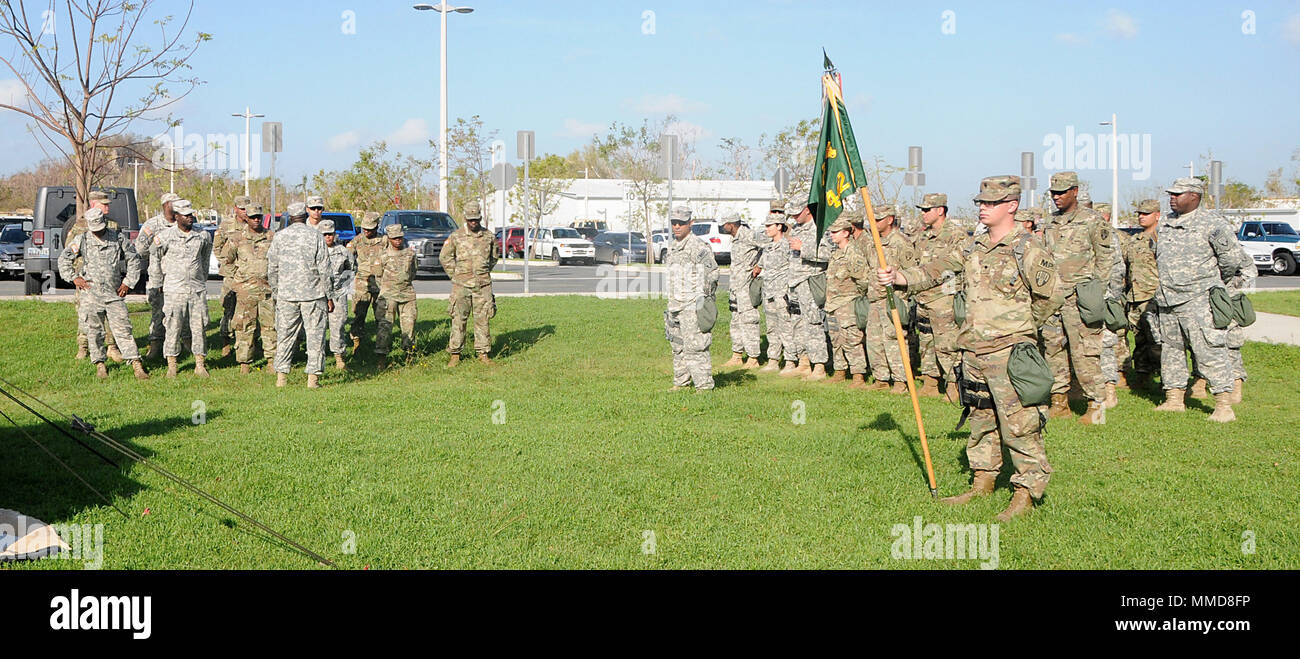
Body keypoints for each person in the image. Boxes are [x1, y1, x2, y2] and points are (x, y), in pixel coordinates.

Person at [879, 175, 1062, 521]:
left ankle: (1025, 492)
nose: (982, 208)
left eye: (991, 203)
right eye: (980, 202)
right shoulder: (972, 247)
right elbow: (937, 269)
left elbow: (1051, 295)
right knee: (982, 419)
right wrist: (900, 278)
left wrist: (1020, 328)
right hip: (974, 351)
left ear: (1011, 205)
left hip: (1009, 352)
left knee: (1020, 424)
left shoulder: (1027, 247)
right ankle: (983, 481)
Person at [1152, 178, 1251, 421]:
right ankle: (1174, 399)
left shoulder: (1212, 223)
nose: (1172, 198)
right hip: (1167, 299)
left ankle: (1223, 405)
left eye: (1178, 194)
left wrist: (1212, 284)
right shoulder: (1166, 222)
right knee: (1171, 351)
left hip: (1198, 299)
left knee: (1210, 351)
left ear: (1194, 197)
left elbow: (1231, 260)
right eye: (1171, 194)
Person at [1042, 171, 1117, 425]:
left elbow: (1106, 258)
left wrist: (1095, 291)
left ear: (1075, 191)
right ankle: (1059, 402)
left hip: (1080, 298)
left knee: (1085, 354)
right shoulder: (1049, 222)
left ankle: (1095, 406)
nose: (1057, 197)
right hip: (1053, 299)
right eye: (1053, 192)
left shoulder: (1092, 220)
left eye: (1062, 192)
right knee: (1052, 350)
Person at [58, 207, 148, 380]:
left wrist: (128, 282)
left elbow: (134, 259)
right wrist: (74, 278)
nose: (98, 232)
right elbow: (64, 259)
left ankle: (136, 364)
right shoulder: (82, 239)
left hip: (114, 294)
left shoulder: (118, 238)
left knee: (123, 330)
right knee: (94, 331)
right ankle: (100, 364)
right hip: (91, 294)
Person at [268, 202, 334, 389]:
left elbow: (272, 268)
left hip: (287, 295)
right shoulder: (315, 236)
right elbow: (325, 269)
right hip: (313, 294)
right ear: (304, 215)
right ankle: (313, 380)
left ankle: (281, 377)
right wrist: (329, 295)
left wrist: (276, 291)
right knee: (315, 337)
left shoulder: (279, 237)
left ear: (289, 217)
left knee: (285, 336)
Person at [912, 193, 967, 399]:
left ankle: (954, 386)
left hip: (944, 298)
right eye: (922, 210)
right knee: (926, 342)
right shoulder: (924, 235)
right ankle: (930, 382)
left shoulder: (956, 235)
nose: (923, 214)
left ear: (940, 210)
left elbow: (958, 264)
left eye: (927, 210)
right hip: (923, 297)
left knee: (947, 345)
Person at [862, 204, 920, 393]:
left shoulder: (900, 242)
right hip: (874, 298)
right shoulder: (873, 241)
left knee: (893, 340)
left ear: (890, 219)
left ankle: (901, 381)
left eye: (878, 219)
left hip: (892, 297)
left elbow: (912, 271)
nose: (874, 223)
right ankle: (881, 378)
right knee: (874, 340)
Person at [151, 199, 211, 378]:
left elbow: (205, 259)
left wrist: (201, 279)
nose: (190, 218)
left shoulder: (203, 236)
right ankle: (172, 365)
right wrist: (157, 283)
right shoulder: (165, 236)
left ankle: (200, 363)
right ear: (176, 216)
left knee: (199, 326)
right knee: (173, 326)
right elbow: (155, 259)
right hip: (174, 289)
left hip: (196, 290)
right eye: (185, 215)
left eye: (191, 214)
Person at [663, 206, 719, 391]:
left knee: (695, 347)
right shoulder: (672, 246)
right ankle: (681, 382)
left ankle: (704, 386)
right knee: (677, 346)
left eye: (681, 223)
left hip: (691, 305)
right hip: (675, 304)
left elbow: (712, 273)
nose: (677, 226)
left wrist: (701, 299)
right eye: (674, 223)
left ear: (690, 223)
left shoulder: (697, 247)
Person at [440, 201, 499, 366]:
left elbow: (494, 257)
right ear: (465, 218)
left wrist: (482, 272)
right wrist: (456, 275)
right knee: (459, 319)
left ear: (480, 218)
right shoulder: (456, 236)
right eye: (470, 219)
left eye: (476, 219)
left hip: (483, 285)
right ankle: (455, 353)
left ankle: (483, 352)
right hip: (461, 286)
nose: (474, 222)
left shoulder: (489, 237)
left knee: (483, 319)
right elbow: (445, 257)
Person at [221, 204, 276, 374]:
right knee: (245, 327)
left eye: (259, 216)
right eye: (252, 217)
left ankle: (271, 360)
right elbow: (226, 260)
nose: (256, 220)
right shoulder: (237, 238)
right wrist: (238, 283)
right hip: (246, 291)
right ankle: (244, 362)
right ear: (247, 218)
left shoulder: (271, 237)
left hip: (267, 291)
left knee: (270, 326)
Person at [72, 190, 121, 361]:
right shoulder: (79, 227)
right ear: (93, 204)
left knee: (110, 314)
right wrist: (76, 276)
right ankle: (84, 346)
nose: (107, 208)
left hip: (107, 280)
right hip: (87, 281)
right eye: (104, 204)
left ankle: (112, 347)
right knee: (85, 314)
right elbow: (70, 253)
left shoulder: (113, 226)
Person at [784, 202, 832, 379]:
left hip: (811, 281)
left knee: (813, 324)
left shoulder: (820, 228)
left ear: (807, 210)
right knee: (799, 323)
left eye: (797, 213)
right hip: (796, 282)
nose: (795, 217)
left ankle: (819, 366)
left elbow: (828, 254)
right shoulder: (797, 228)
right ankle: (804, 361)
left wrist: (803, 248)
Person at [823, 217, 870, 387]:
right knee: (836, 339)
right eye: (831, 232)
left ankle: (858, 375)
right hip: (832, 304)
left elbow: (864, 280)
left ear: (845, 233)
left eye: (835, 232)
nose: (831, 235)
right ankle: (840, 370)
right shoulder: (836, 254)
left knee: (851, 339)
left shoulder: (853, 254)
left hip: (848, 303)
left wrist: (856, 297)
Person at [136, 192, 181, 360]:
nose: (176, 206)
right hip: (159, 276)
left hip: (179, 276)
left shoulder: (182, 222)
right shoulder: (153, 225)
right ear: (165, 205)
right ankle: (155, 345)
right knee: (158, 312)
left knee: (180, 311)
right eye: (173, 203)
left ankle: (181, 344)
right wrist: (157, 256)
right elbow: (140, 248)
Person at [1122, 199, 1161, 389]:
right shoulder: (1134, 240)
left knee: (1158, 340)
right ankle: (1142, 375)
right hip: (1135, 297)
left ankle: (1167, 379)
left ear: (1157, 215)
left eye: (1146, 213)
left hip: (1154, 296)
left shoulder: (1161, 238)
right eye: (1140, 213)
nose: (1141, 217)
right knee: (1139, 338)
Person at [720, 211, 762, 369]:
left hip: (746, 286)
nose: (723, 227)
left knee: (749, 321)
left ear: (731, 224)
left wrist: (760, 264)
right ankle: (737, 355)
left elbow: (770, 245)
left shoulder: (749, 235)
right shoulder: (736, 239)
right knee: (736, 321)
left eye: (725, 224)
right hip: (736, 286)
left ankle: (753, 358)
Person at [755, 208, 796, 372]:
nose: (767, 229)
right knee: (772, 327)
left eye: (770, 226)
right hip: (769, 292)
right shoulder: (768, 247)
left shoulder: (787, 245)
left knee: (786, 326)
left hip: (782, 293)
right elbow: (761, 265)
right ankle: (773, 359)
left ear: (779, 226)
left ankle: (790, 360)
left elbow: (793, 267)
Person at [375, 223, 417, 368]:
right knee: (385, 327)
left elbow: (413, 272)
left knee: (409, 326)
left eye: (400, 238)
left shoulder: (410, 254)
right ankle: (381, 358)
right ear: (389, 238)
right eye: (394, 238)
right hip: (388, 296)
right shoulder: (383, 255)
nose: (398, 241)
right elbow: (378, 276)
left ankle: (409, 356)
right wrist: (387, 289)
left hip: (407, 295)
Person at [214, 196, 250, 357]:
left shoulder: (254, 224)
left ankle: (247, 344)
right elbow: (217, 246)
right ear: (235, 208)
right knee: (228, 307)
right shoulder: (227, 225)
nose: (245, 212)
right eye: (242, 208)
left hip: (248, 274)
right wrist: (226, 263)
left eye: (247, 209)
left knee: (248, 309)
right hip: (231, 274)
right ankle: (225, 342)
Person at [347, 211, 386, 351]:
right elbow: (347, 257)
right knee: (359, 315)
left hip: (380, 284)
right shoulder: (357, 240)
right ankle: (357, 344)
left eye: (370, 229)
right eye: (364, 229)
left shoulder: (384, 241)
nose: (366, 232)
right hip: (362, 283)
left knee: (382, 316)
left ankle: (382, 345)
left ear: (376, 228)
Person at [320, 220, 355, 370]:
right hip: (318, 294)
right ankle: (317, 358)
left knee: (338, 326)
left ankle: (339, 357)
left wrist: (342, 287)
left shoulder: (343, 251)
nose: (328, 237)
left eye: (331, 234)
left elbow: (351, 269)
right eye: (325, 234)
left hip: (337, 294)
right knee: (317, 327)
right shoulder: (314, 251)